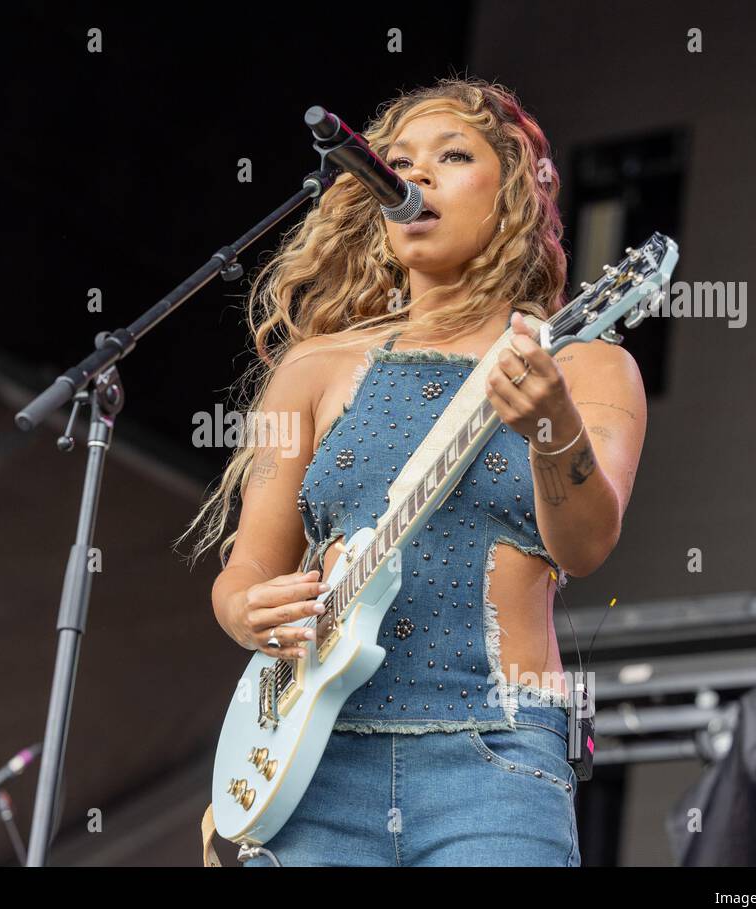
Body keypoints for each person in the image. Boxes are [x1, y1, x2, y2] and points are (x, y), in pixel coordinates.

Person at [179, 76, 646, 866]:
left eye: (452, 156)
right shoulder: (315, 368)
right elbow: (249, 564)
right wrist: (241, 611)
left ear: (516, 197)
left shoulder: (584, 364)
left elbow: (586, 546)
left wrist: (551, 427)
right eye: (397, 162)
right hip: (313, 763)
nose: (415, 175)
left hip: (495, 759)